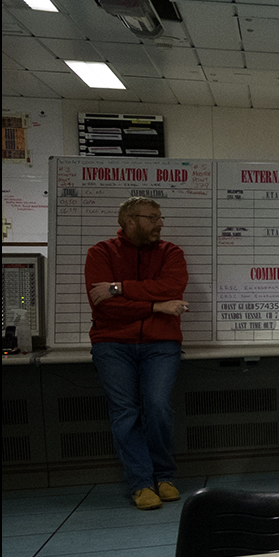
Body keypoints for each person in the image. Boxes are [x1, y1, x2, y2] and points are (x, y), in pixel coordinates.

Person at [85, 197, 191, 510]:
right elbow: (103, 307)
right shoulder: (100, 253)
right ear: (131, 221)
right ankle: (141, 482)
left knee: (157, 406)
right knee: (125, 411)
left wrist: (118, 288)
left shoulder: (171, 253)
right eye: (153, 218)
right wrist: (157, 307)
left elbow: (172, 287)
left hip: (161, 344)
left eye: (161, 217)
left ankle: (164, 475)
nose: (160, 223)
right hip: (112, 344)